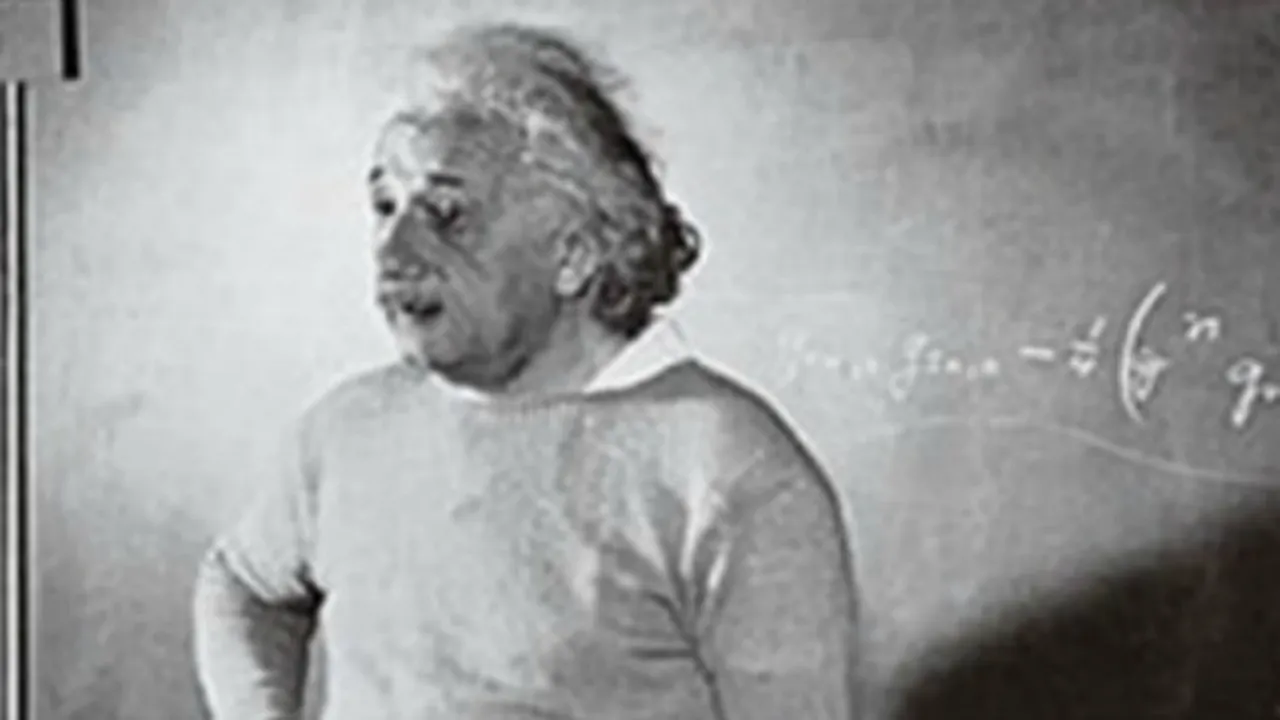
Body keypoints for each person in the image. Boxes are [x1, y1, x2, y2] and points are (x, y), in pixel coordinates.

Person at [192, 22, 857, 720]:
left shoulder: (730, 467)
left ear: (572, 255)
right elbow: (242, 585)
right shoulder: (345, 430)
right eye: (385, 207)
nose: (394, 251)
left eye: (446, 215)